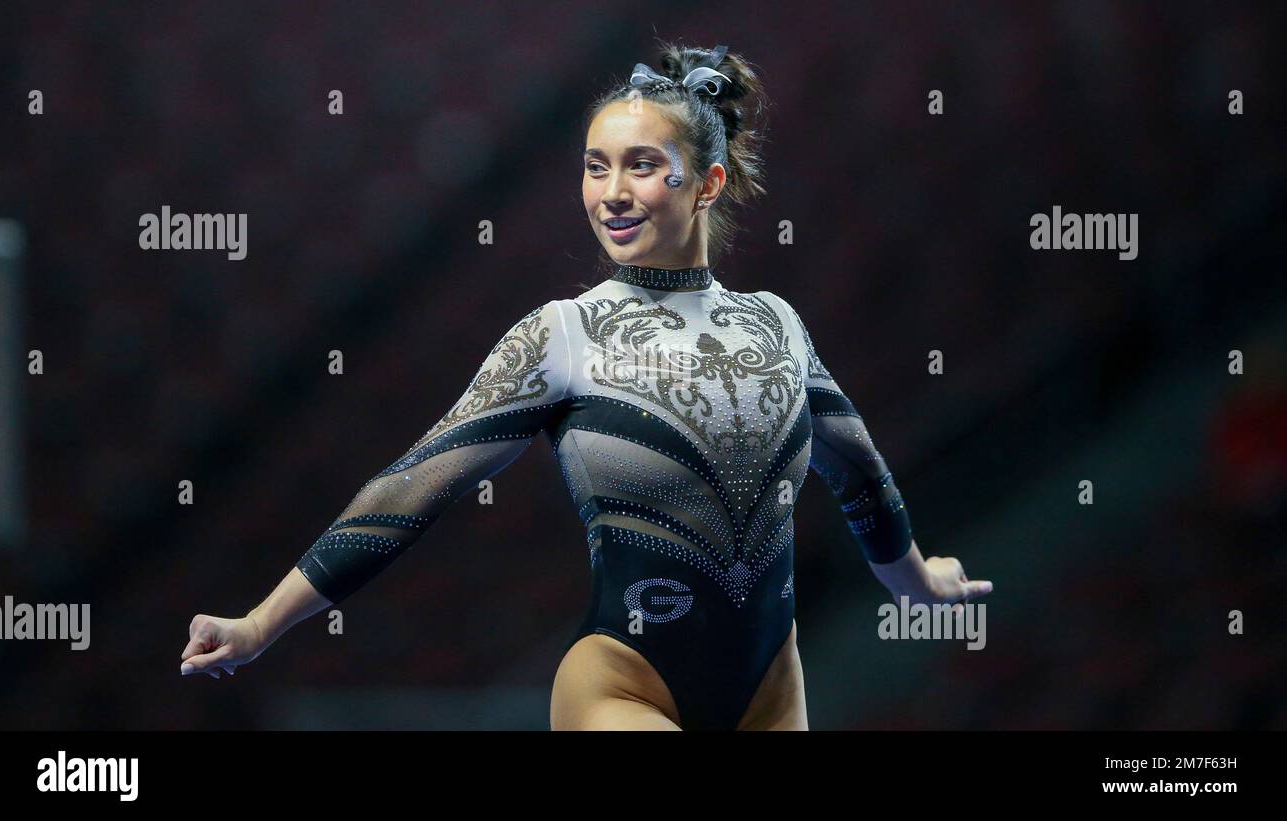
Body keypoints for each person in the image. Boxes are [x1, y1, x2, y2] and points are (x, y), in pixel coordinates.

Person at [180, 42, 992, 730]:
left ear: (705, 184)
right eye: (596, 166)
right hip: (622, 683)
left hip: (772, 691)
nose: (611, 192)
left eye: (642, 166)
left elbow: (859, 475)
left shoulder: (776, 325)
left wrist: (919, 581)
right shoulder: (560, 336)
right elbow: (410, 488)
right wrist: (260, 622)